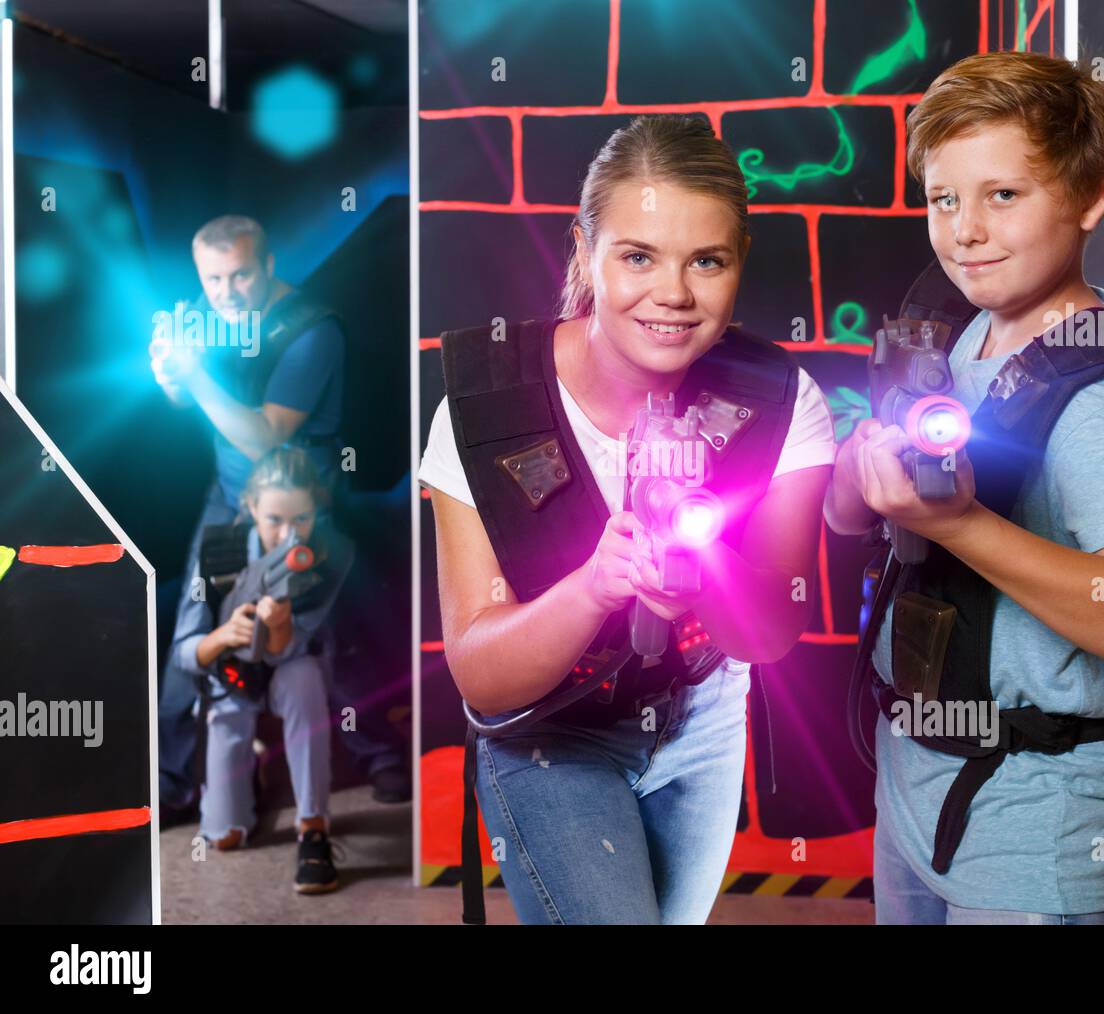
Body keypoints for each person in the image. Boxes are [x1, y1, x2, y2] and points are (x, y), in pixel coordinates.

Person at [420, 115, 837, 924]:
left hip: (701, 719)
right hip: (552, 731)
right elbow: (481, 673)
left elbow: (773, 630)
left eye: (706, 261)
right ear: (584, 250)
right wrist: (600, 583)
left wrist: (703, 568)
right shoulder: (486, 408)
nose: (673, 294)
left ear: (738, 261)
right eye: (638, 256)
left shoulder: (782, 400)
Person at [825, 51, 1104, 924]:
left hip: (1032, 824)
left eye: (1004, 195)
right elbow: (847, 521)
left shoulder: (1102, 405)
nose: (965, 232)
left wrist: (956, 522)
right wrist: (862, 468)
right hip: (915, 788)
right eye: (943, 200)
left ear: (1090, 195)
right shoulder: (955, 343)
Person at [151, 215, 408, 820]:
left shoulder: (312, 331)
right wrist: (169, 370)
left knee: (327, 635)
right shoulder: (207, 312)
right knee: (194, 625)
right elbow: (180, 398)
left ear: (267, 267)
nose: (226, 291)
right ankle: (173, 779)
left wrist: (193, 373)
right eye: (213, 279)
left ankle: (376, 749)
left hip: (302, 503)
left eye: (240, 274)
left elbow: (267, 437)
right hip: (231, 498)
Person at [171, 448, 353, 893]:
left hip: (289, 670)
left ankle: (313, 827)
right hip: (230, 680)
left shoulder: (330, 555)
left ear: (318, 510)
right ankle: (253, 769)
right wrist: (223, 636)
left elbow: (285, 648)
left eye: (302, 520)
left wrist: (277, 624)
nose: (290, 536)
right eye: (274, 520)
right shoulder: (217, 549)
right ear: (249, 506)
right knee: (226, 837)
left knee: (304, 676)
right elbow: (183, 651)